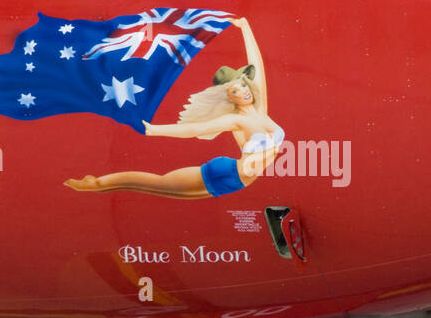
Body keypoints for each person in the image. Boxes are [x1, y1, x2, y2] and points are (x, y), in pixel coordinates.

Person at [64, 17, 283, 199]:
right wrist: (154, 130)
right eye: (235, 90)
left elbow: (257, 66)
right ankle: (97, 183)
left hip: (238, 181)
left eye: (243, 85)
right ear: (230, 98)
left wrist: (245, 28)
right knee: (158, 183)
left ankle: (98, 184)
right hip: (228, 175)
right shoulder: (236, 120)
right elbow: (195, 130)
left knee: (161, 185)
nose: (243, 91)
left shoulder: (260, 109)